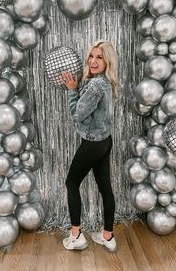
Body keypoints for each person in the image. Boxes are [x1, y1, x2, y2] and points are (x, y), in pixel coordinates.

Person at [61, 40, 118, 253]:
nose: (93, 61)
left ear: (107, 61)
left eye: (99, 57)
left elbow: (77, 114)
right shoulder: (106, 82)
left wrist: (72, 90)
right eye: (91, 56)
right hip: (105, 141)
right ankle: (107, 236)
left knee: (71, 183)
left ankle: (76, 235)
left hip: (93, 143)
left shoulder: (95, 86)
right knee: (105, 189)